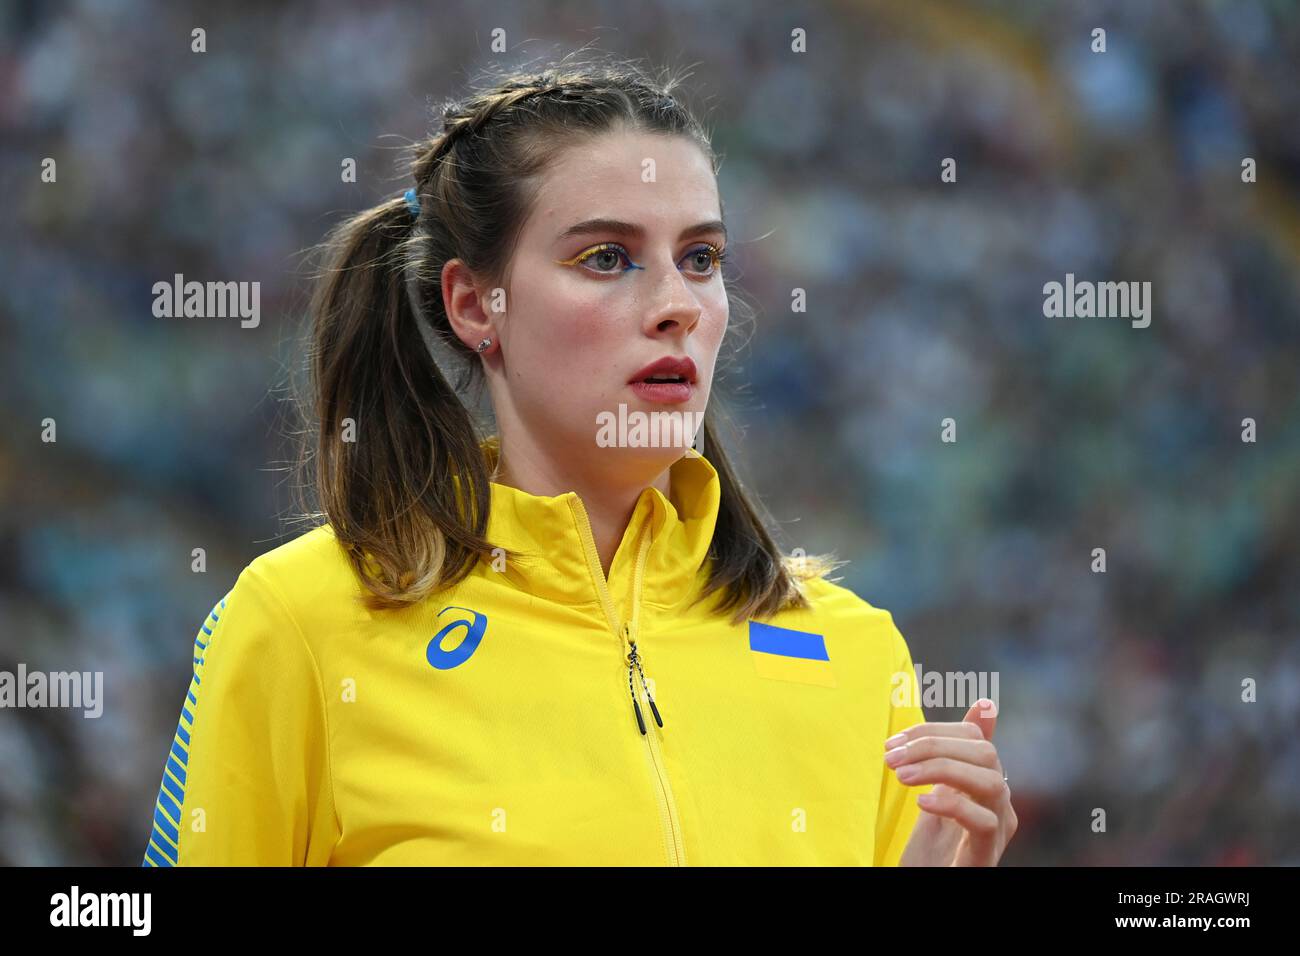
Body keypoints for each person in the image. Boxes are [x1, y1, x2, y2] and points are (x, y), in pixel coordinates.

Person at [141, 59, 1016, 867]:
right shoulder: (300, 622)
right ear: (476, 304)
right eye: (607, 257)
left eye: (701, 258)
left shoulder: (856, 650)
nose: (677, 304)